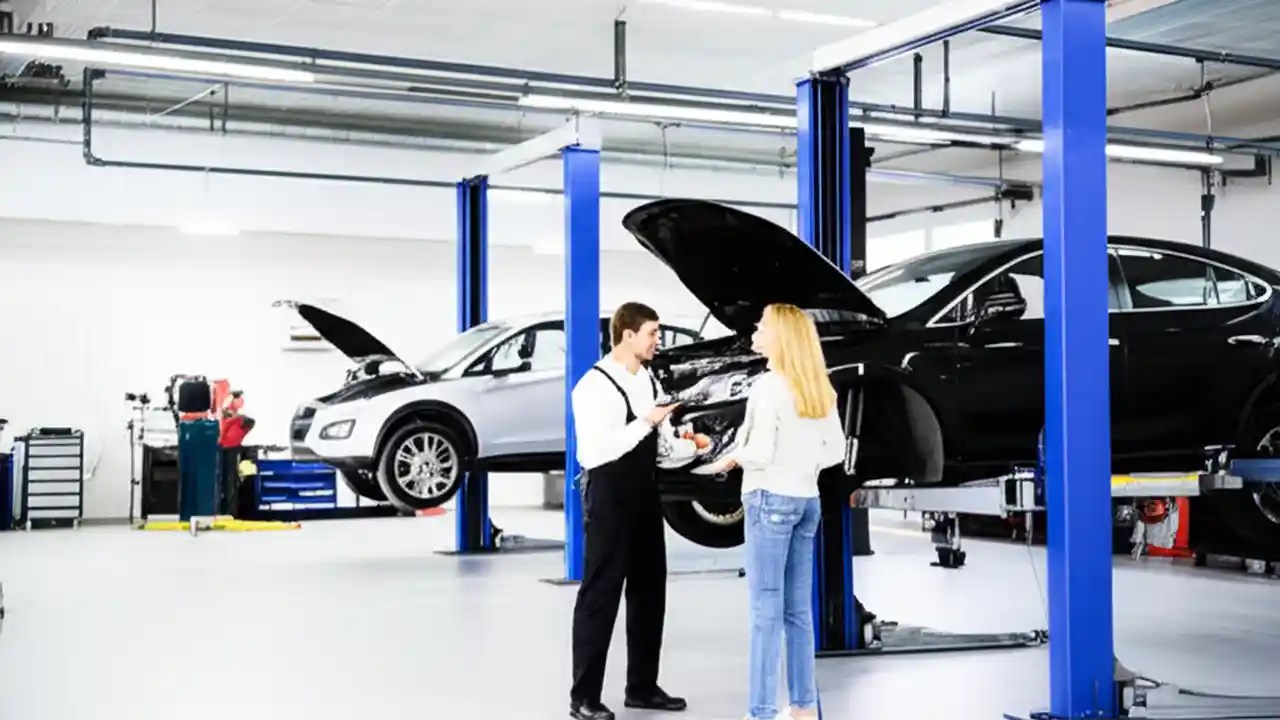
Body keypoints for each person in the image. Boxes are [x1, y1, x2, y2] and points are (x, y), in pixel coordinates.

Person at [704, 303, 847, 720]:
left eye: (763, 327)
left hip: (769, 500)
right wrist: (802, 464)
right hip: (806, 502)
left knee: (764, 611)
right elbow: (835, 451)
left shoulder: (768, 386)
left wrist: (731, 458)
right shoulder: (819, 386)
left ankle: (761, 712)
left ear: (781, 337)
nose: (755, 332)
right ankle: (804, 708)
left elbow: (762, 451)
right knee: (798, 613)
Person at [568, 301, 703, 720]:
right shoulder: (592, 387)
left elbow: (661, 448)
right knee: (600, 596)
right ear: (627, 335)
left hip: (645, 495)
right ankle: (584, 698)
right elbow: (596, 451)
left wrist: (695, 448)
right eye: (652, 333)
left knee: (649, 593)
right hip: (608, 497)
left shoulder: (648, 378)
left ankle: (642, 687)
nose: (657, 340)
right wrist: (647, 420)